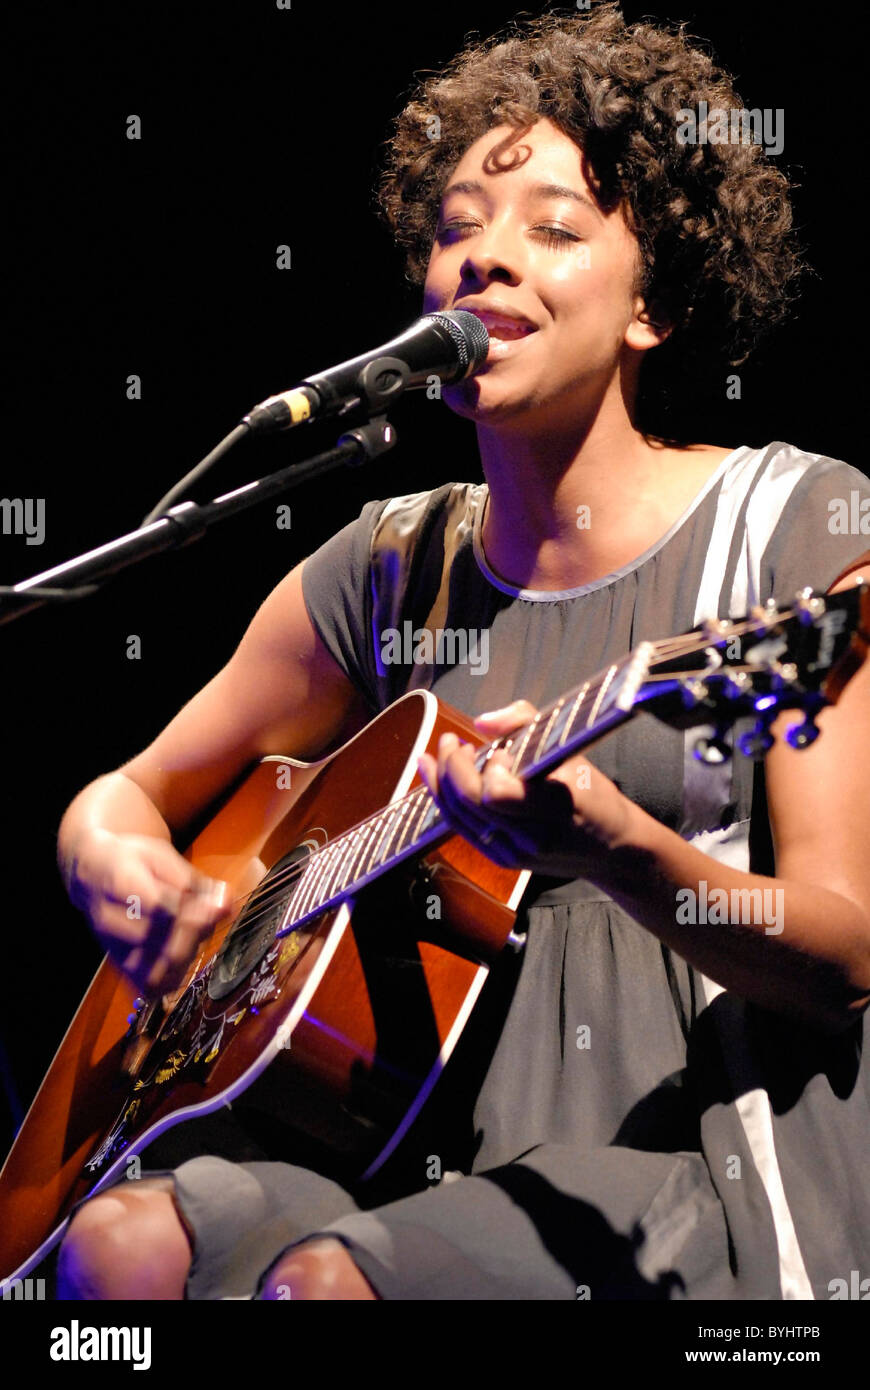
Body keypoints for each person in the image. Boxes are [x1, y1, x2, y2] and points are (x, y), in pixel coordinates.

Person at [55, 5, 870, 1300]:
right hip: (381, 1135)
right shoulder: (387, 564)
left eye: (550, 228)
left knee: (328, 1284)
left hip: (674, 1157)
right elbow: (126, 792)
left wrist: (609, 847)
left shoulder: (794, 525)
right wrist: (115, 860)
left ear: (652, 299)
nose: (484, 260)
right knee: (114, 1249)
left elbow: (845, 957)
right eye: (453, 232)